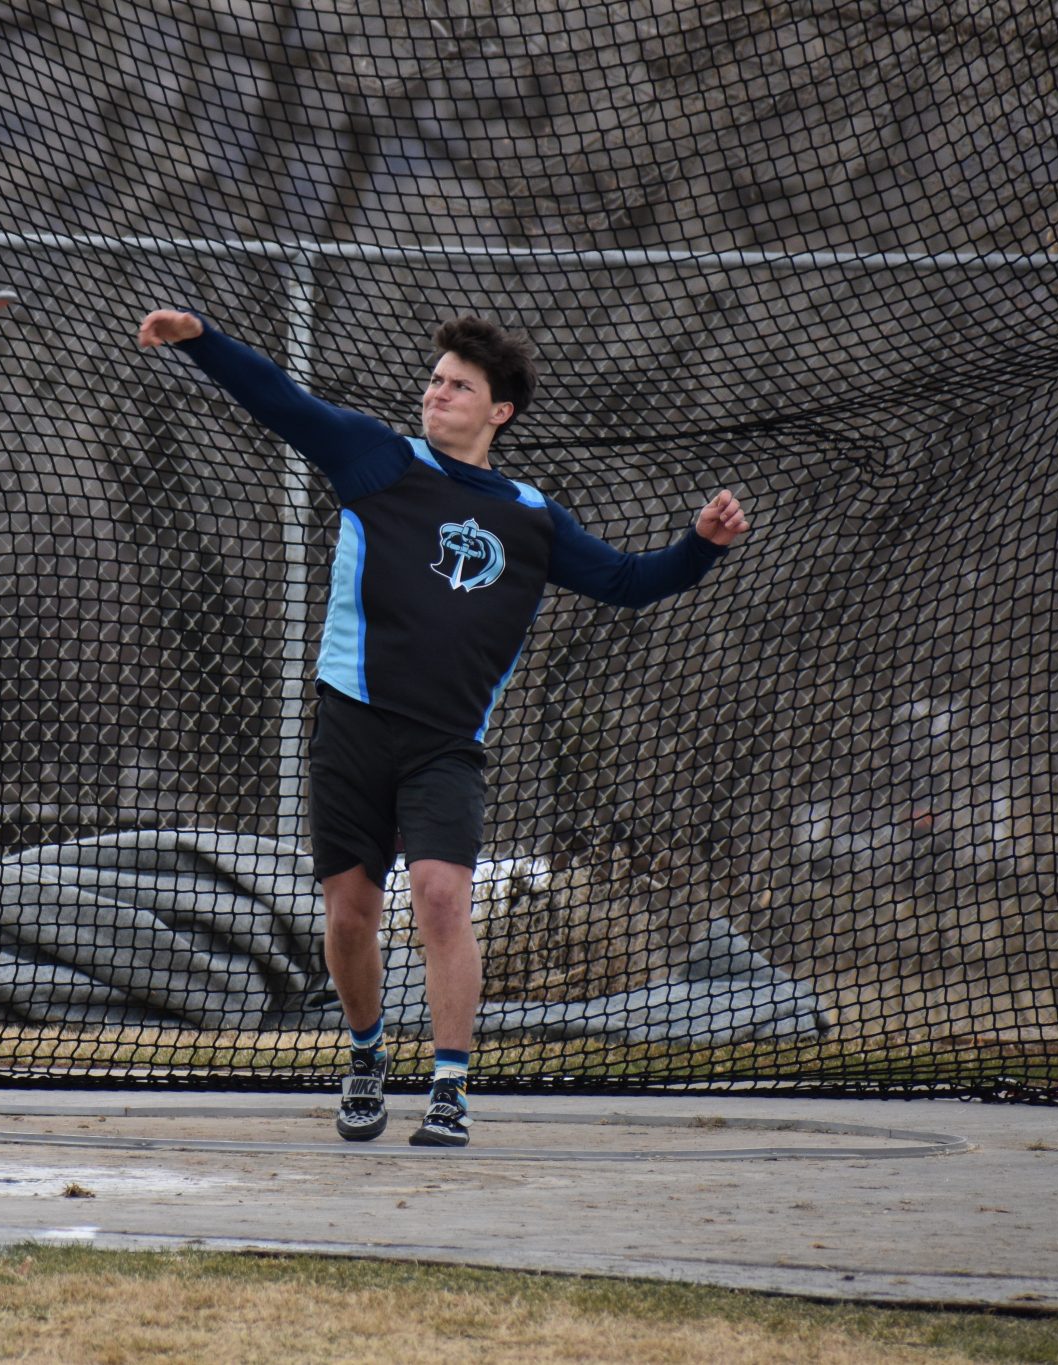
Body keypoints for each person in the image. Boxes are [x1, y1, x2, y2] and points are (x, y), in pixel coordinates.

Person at [136, 308, 750, 1146]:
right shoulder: (377, 460)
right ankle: (364, 1057)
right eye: (435, 380)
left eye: (459, 385)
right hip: (351, 727)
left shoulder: (533, 519)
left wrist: (700, 546)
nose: (439, 393)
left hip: (445, 743)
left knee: (441, 896)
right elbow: (277, 399)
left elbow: (628, 581)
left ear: (499, 411)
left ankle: (451, 1089)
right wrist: (199, 338)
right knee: (351, 915)